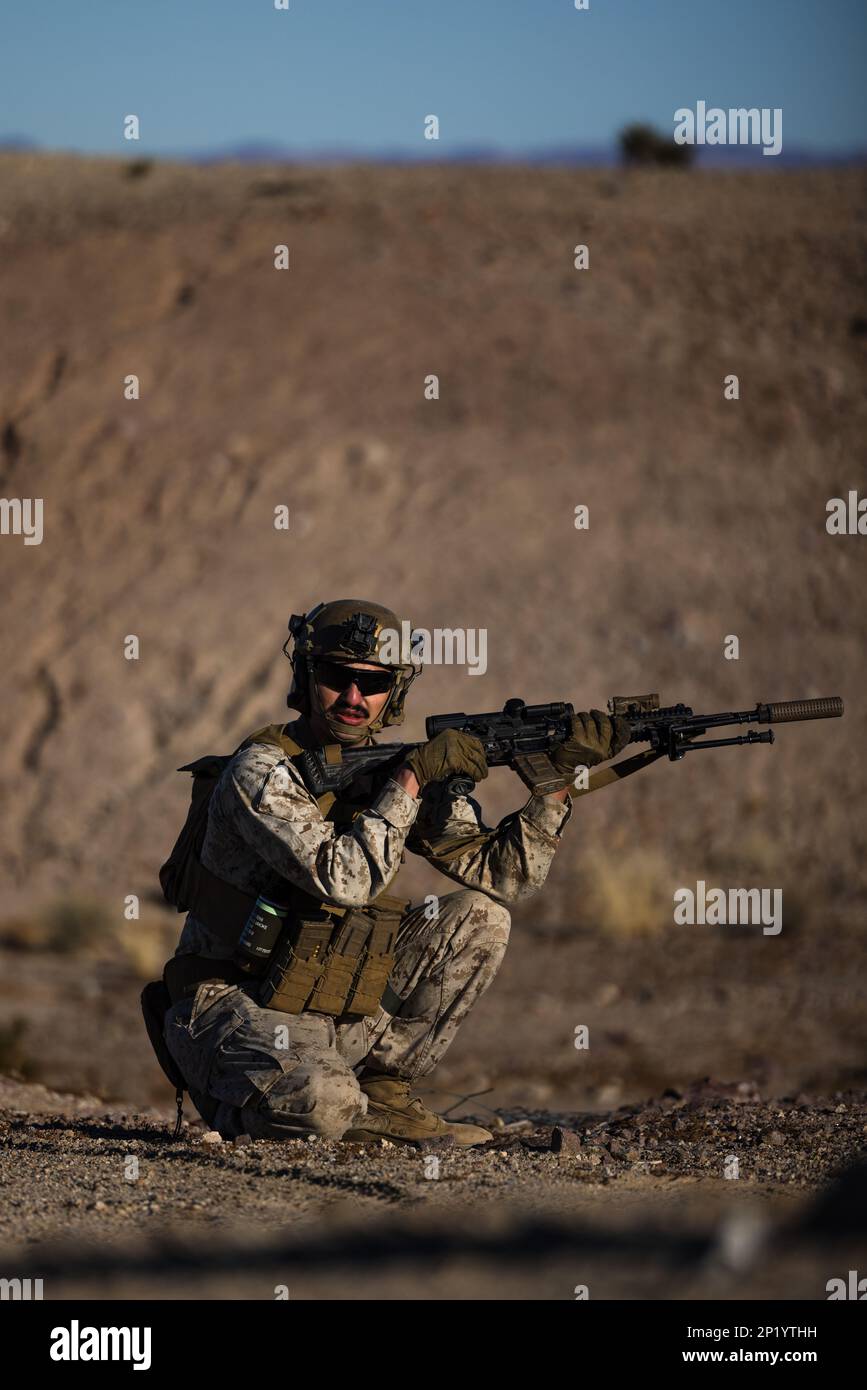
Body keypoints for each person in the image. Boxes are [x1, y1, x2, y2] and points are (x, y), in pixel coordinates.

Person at [160, 599, 628, 1146]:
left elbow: (507, 879)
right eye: (338, 677)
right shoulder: (261, 771)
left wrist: (554, 785)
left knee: (482, 918)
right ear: (308, 677)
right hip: (229, 1006)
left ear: (396, 691)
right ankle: (240, 1117)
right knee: (326, 1107)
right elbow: (346, 880)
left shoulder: (388, 771)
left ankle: (384, 1096)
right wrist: (411, 779)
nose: (355, 698)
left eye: (374, 682)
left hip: (326, 1004)